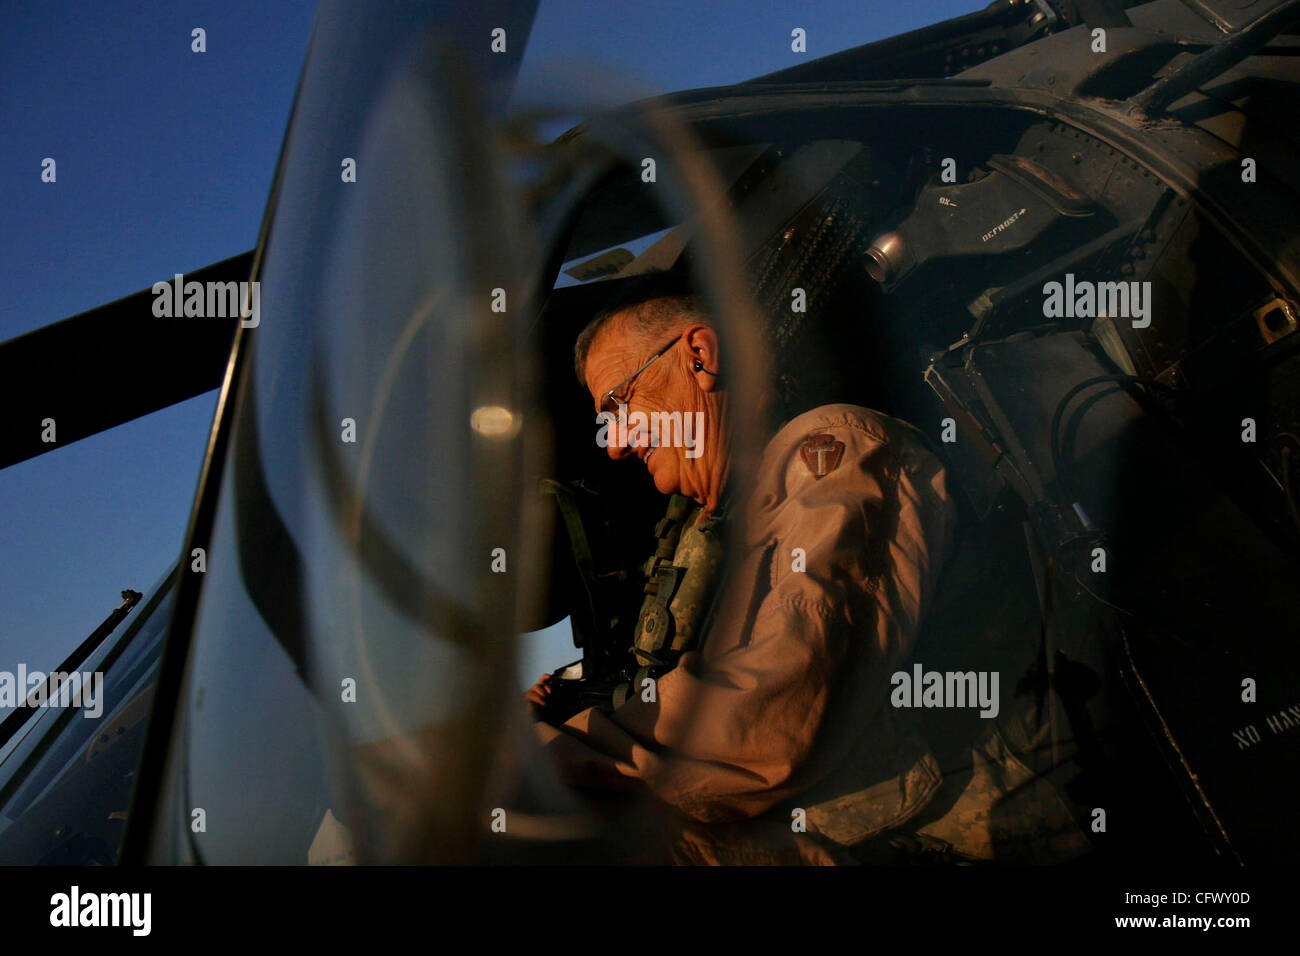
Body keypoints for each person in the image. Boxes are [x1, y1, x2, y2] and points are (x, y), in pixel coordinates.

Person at [527, 270, 961, 863]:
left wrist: (547, 756)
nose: (614, 444)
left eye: (619, 402)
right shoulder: (717, 518)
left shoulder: (830, 447)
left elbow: (775, 710)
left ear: (700, 356)